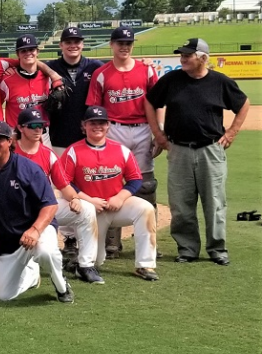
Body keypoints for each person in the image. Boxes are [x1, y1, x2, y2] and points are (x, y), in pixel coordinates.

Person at [145, 38, 250, 266]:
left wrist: (232, 132)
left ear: (202, 58)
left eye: (187, 55)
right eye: (181, 54)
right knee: (181, 203)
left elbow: (243, 103)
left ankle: (217, 248)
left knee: (214, 202)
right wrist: (158, 133)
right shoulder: (172, 80)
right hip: (179, 148)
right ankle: (187, 248)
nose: (182, 58)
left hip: (210, 149)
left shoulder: (219, 82)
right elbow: (150, 101)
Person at [0, 120, 73, 303]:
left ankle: (61, 285)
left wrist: (36, 229)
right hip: (6, 244)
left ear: (10, 141)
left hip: (35, 231)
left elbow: (50, 204)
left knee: (46, 252)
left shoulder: (28, 168)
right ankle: (31, 275)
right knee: (3, 295)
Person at [58, 106, 159, 281]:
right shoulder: (73, 151)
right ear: (84, 126)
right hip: (91, 210)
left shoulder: (121, 150)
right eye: (92, 123)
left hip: (115, 204)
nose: (97, 126)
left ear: (108, 125)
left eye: (101, 123)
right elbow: (64, 183)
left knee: (146, 209)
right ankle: (75, 261)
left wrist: (120, 197)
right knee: (96, 261)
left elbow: (135, 178)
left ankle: (145, 265)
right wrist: (89, 200)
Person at [86, 26, 161, 259]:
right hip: (114, 129)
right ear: (111, 44)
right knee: (111, 181)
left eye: (128, 43)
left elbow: (157, 103)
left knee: (146, 184)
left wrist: (159, 133)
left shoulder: (147, 71)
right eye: (120, 43)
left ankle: (149, 242)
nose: (124, 47)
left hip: (142, 128)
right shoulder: (102, 73)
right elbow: (94, 109)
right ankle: (111, 243)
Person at [12, 108, 101, 284]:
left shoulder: (48, 154)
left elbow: (64, 185)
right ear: (20, 128)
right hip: (15, 212)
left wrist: (74, 199)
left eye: (42, 127)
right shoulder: (10, 151)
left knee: (87, 209)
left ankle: (85, 266)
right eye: (33, 126)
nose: (39, 130)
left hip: (44, 210)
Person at [44, 27, 104, 266]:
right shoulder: (51, 68)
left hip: (85, 140)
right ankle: (69, 239)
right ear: (61, 45)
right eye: (68, 41)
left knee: (86, 185)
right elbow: (31, 62)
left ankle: (91, 235)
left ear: (82, 44)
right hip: (58, 138)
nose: (73, 45)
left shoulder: (95, 67)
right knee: (64, 190)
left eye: (77, 41)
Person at [0, 34, 52, 145]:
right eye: (23, 50)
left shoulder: (48, 77)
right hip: (17, 136)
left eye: (31, 49)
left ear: (37, 51)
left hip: (43, 134)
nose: (28, 53)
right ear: (17, 54)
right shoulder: (7, 80)